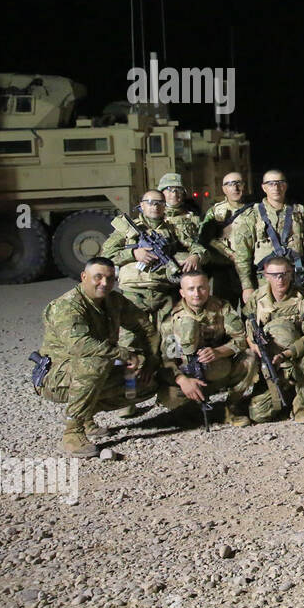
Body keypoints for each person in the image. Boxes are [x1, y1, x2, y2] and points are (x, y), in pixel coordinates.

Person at [34, 257, 160, 457]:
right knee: (94, 360)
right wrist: (125, 354)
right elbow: (80, 346)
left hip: (96, 369)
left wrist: (149, 362)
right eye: (98, 277)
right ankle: (72, 433)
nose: (105, 283)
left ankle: (86, 415)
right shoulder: (67, 306)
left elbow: (144, 326)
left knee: (148, 382)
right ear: (84, 277)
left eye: (110, 279)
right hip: (55, 378)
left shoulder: (113, 301)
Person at [156, 270, 253, 427]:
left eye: (201, 288)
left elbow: (241, 339)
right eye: (191, 289)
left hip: (218, 369)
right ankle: (192, 410)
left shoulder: (222, 308)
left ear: (208, 288)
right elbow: (166, 359)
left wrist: (219, 352)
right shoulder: (171, 321)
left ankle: (231, 408)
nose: (197, 293)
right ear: (182, 292)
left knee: (250, 358)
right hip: (188, 375)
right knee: (171, 398)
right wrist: (182, 380)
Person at [100, 190, 206, 320]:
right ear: (142, 205)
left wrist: (195, 255)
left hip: (164, 292)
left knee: (168, 337)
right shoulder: (127, 230)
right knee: (131, 337)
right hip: (134, 292)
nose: (155, 207)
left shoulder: (173, 229)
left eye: (160, 203)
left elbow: (197, 246)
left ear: (164, 206)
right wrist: (133, 253)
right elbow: (105, 256)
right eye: (150, 203)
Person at [244, 255, 304, 423]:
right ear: (265, 276)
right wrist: (253, 345)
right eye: (274, 275)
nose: (280, 279)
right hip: (271, 364)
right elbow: (247, 326)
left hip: (297, 358)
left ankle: (300, 404)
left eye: (284, 274)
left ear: (291, 274)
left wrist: (288, 353)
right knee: (258, 414)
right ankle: (283, 394)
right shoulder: (257, 299)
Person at [231, 169, 304, 305]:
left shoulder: (300, 212)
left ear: (285, 186)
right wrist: (247, 286)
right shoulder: (252, 215)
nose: (276, 187)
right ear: (264, 187)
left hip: (296, 277)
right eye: (270, 183)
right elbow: (242, 255)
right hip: (265, 281)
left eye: (279, 183)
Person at [200, 171, 251, 303]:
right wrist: (229, 253)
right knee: (225, 313)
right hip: (224, 271)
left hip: (251, 270)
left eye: (238, 183)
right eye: (229, 185)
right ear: (224, 189)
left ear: (244, 186)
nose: (235, 188)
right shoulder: (215, 211)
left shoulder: (255, 210)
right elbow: (205, 237)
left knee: (252, 311)